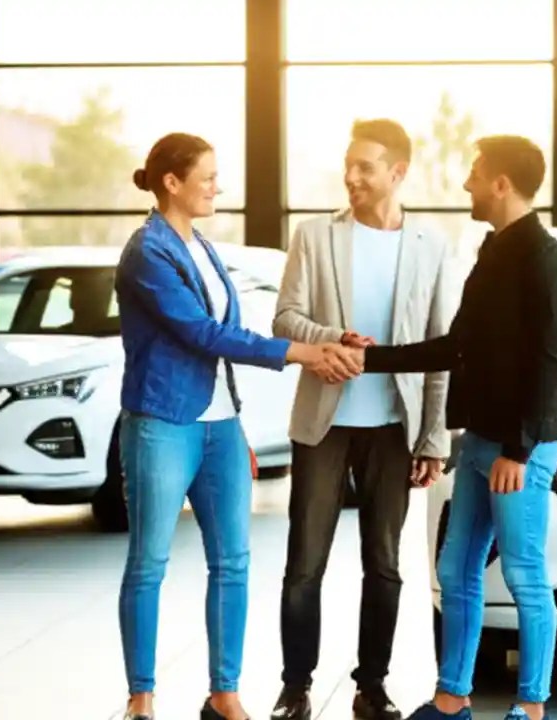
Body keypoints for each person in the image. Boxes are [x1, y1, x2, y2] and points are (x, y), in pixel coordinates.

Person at [113, 132, 360, 720]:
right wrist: (299, 353)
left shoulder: (201, 244)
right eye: (207, 177)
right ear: (171, 182)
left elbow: (228, 335)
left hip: (220, 425)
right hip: (163, 422)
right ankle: (141, 698)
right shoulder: (147, 252)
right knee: (149, 561)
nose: (217, 186)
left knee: (233, 561)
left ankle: (224, 694)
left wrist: (241, 428)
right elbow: (202, 333)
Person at [338, 135, 557, 720]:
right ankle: (451, 699)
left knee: (522, 573)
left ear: (500, 184)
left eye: (474, 174)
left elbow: (550, 361)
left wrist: (519, 450)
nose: (466, 183)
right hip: (480, 442)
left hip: (521, 447)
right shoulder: (490, 253)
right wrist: (371, 358)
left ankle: (532, 705)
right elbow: (457, 344)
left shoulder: (546, 258)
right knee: (454, 568)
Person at [269, 119, 458, 720]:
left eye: (365, 167)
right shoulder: (315, 236)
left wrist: (432, 438)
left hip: (393, 430)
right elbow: (285, 317)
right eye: (348, 165)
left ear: (397, 173)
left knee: (385, 564)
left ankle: (370, 686)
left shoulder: (431, 245)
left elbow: (441, 350)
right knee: (305, 562)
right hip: (323, 424)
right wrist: (333, 339)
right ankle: (295, 685)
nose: (350, 177)